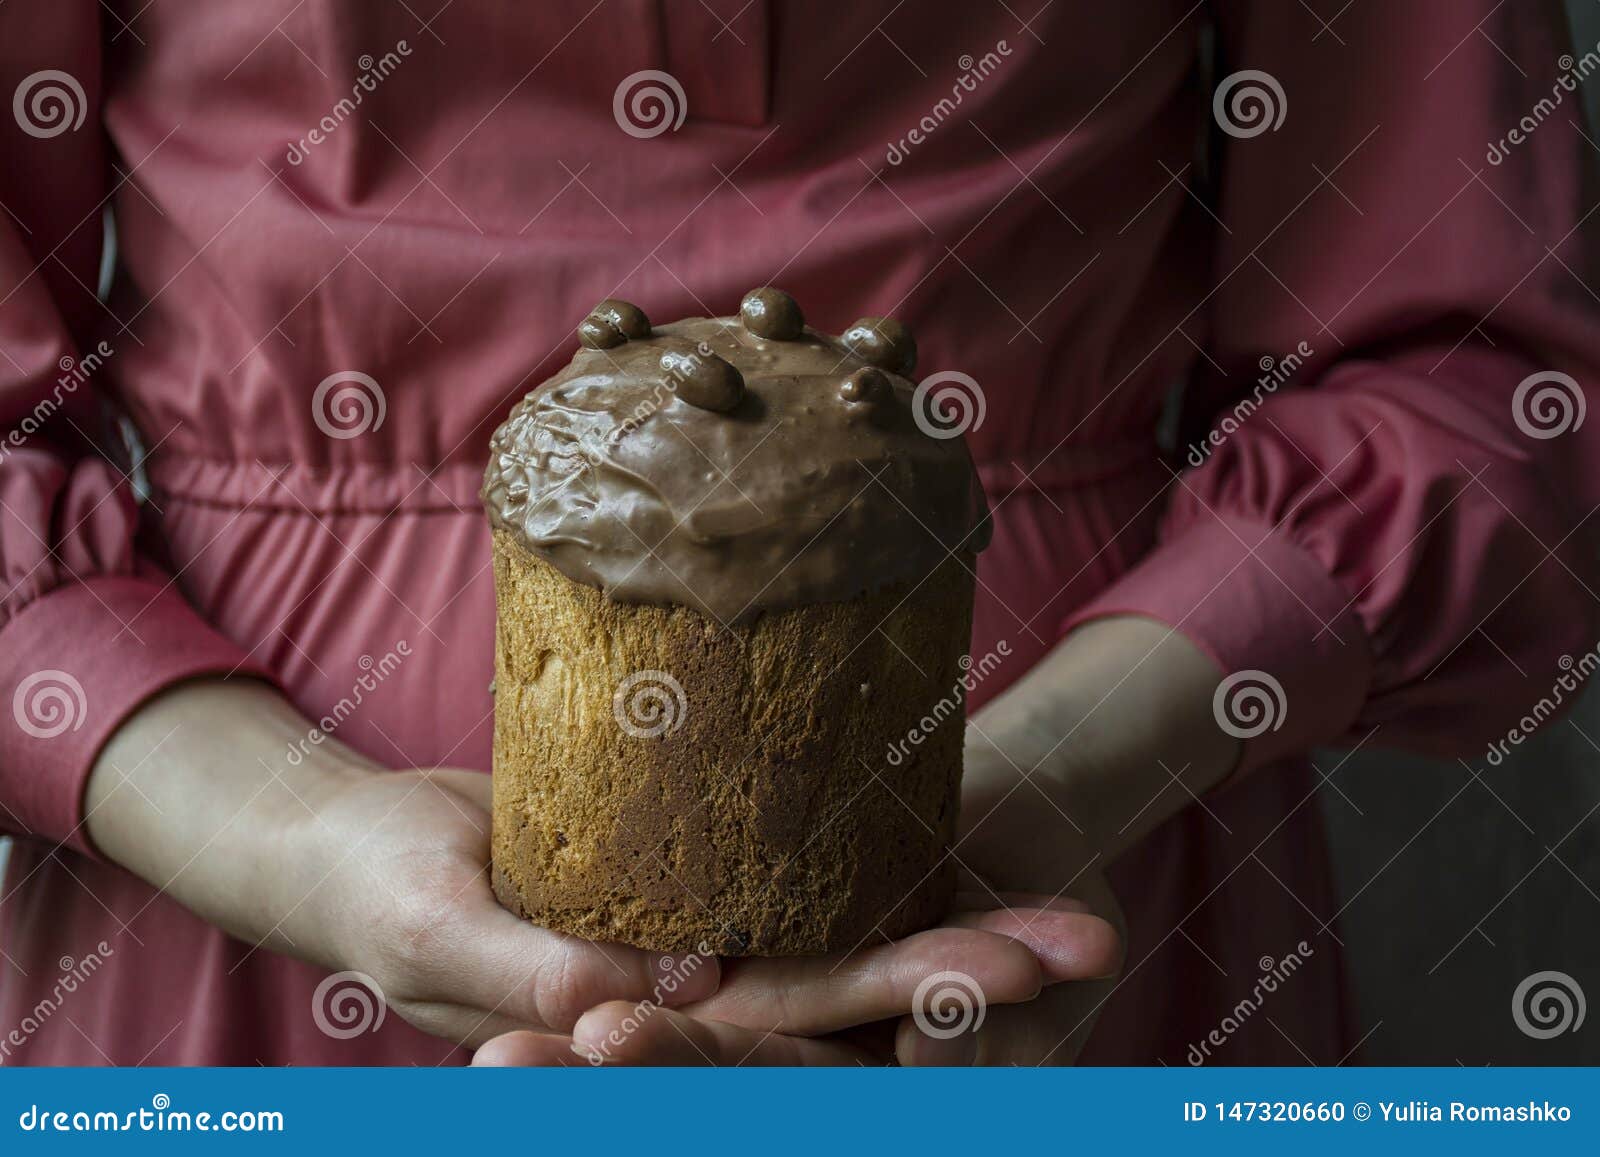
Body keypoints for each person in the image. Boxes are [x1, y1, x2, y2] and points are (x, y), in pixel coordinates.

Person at [2, 1, 1596, 1067]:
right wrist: (292, 838)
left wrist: (1048, 777)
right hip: (231, 931)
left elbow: (1470, 379)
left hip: (1078, 908)